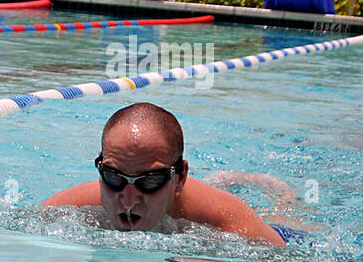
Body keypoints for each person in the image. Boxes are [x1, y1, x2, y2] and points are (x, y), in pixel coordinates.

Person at [42, 102, 288, 246]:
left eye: (149, 181)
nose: (128, 200)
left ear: (180, 178)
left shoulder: (229, 225)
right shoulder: (74, 206)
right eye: (114, 177)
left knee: (283, 219)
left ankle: (276, 189)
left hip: (279, 230)